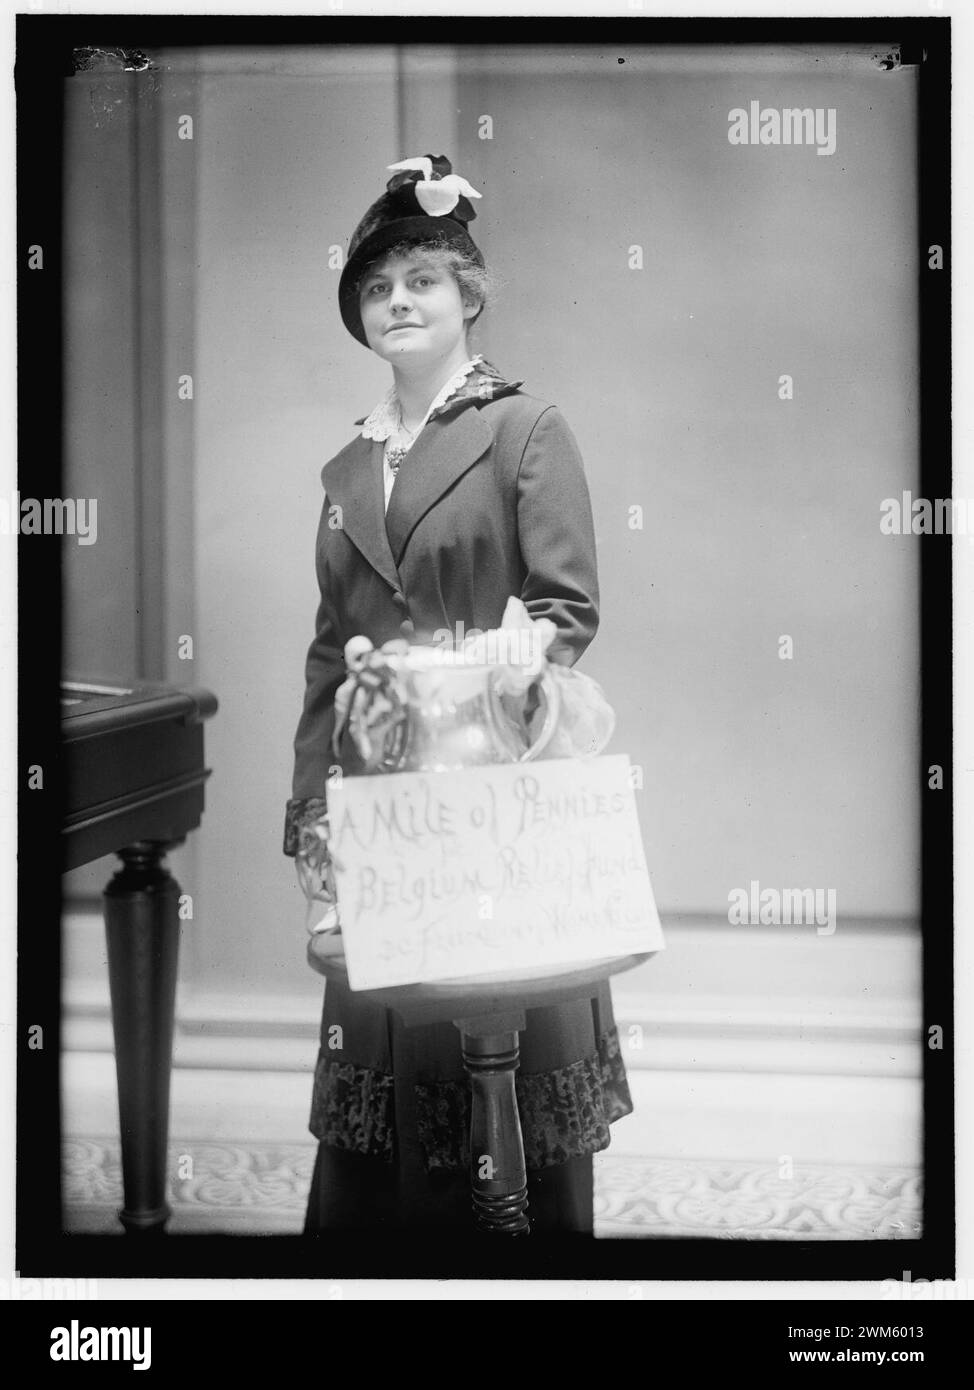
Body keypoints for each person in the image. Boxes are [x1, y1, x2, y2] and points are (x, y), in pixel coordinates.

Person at [284, 154, 632, 1234]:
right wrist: (311, 818)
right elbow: (326, 653)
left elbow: (565, 609)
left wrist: (486, 672)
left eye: (420, 282)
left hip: (493, 799)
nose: (397, 301)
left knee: (503, 1114)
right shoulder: (348, 470)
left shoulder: (523, 430)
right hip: (382, 810)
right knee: (386, 1125)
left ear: (466, 297)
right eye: (378, 287)